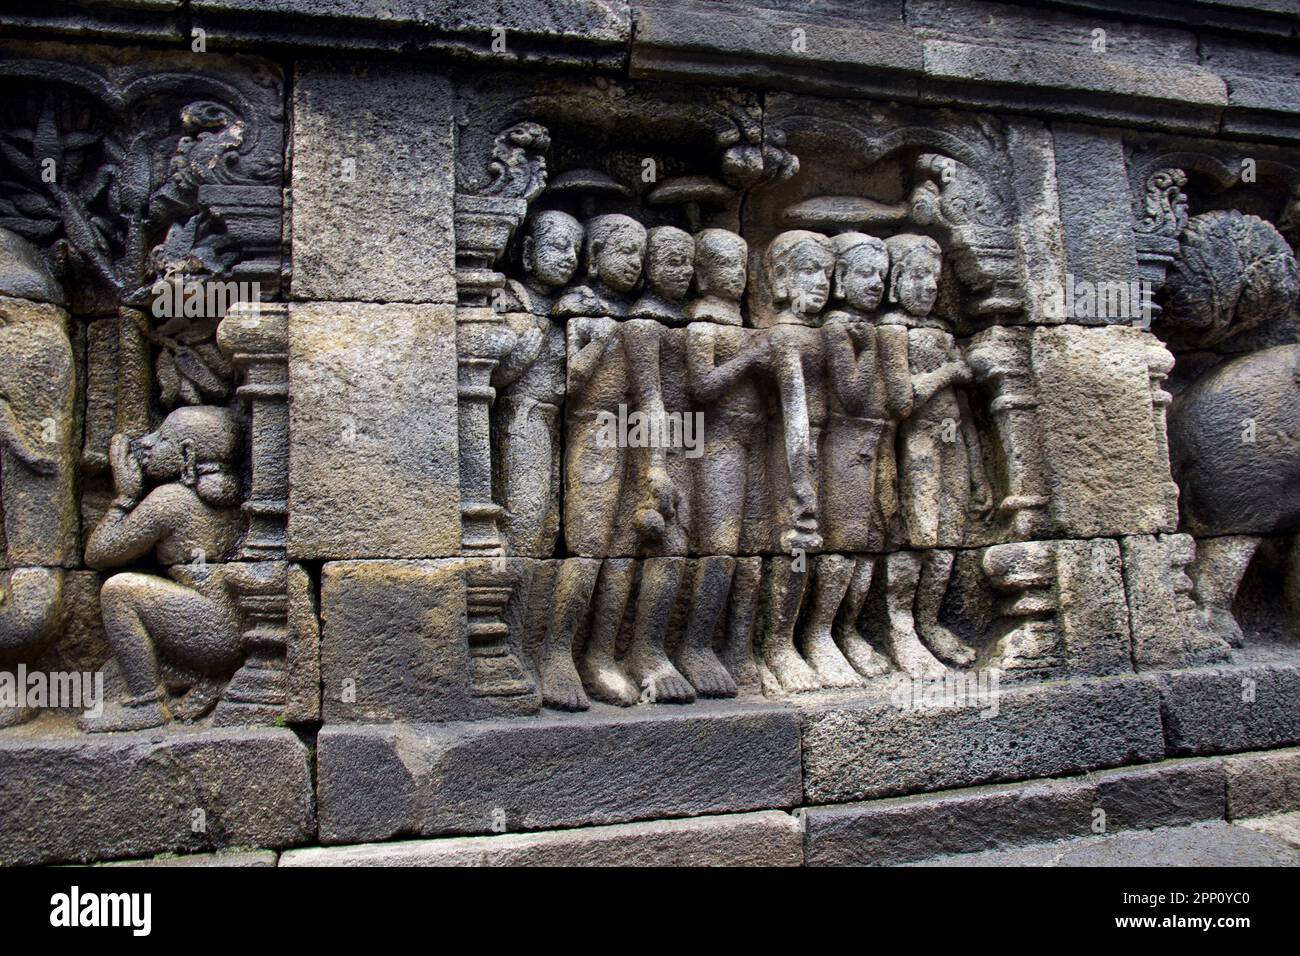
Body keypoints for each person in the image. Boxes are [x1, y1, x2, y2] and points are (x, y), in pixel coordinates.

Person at [81, 406, 244, 731]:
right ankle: (194, 680)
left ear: (187, 453)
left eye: (161, 439)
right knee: (112, 676)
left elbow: (98, 554)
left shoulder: (171, 501)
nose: (148, 444)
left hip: (212, 630)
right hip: (235, 629)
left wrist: (125, 497)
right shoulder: (234, 499)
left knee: (118, 592)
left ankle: (147, 705)